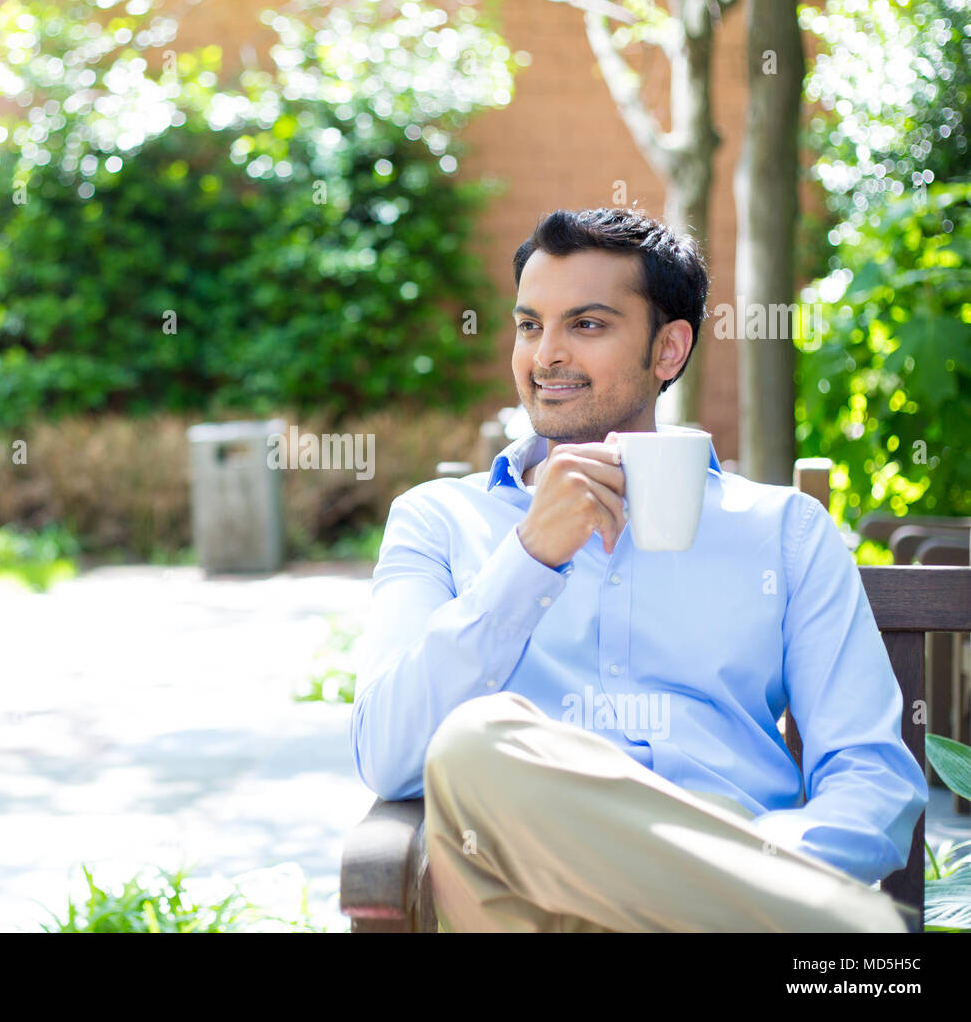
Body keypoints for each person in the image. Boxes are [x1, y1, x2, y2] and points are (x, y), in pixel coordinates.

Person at [348, 206, 927, 932]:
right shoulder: (437, 521)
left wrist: (772, 866)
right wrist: (528, 558)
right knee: (473, 744)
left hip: (748, 863)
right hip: (528, 887)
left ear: (669, 349)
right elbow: (388, 753)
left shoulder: (783, 531)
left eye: (586, 325)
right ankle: (837, 929)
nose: (546, 355)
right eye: (530, 325)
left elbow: (868, 767)